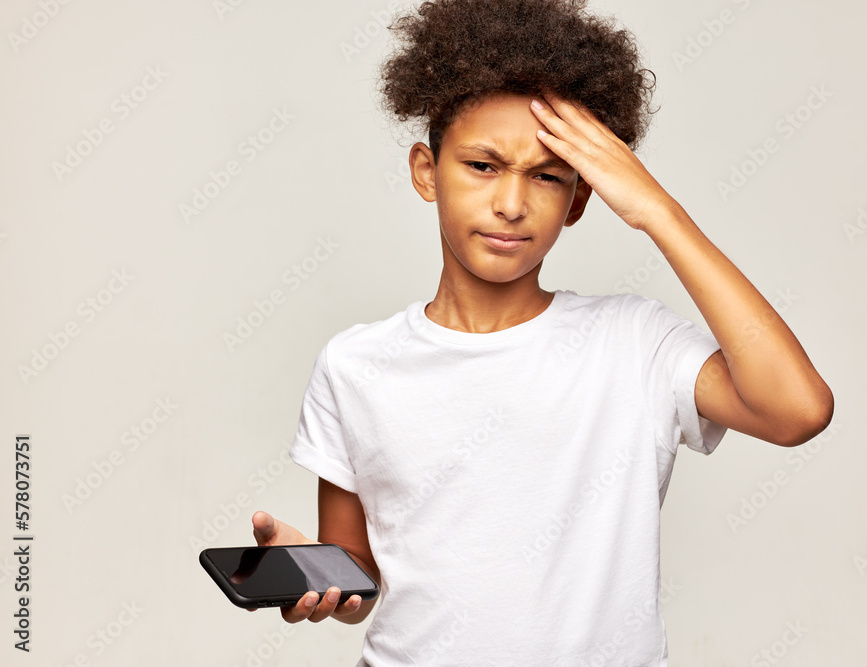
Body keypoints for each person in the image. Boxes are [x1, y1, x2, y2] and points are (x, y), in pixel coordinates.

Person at [249, 0, 834, 664]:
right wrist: (315, 577)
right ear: (426, 171)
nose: (511, 204)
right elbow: (360, 574)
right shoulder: (356, 364)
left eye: (547, 176)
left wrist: (657, 211)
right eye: (483, 165)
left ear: (579, 199)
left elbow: (798, 409)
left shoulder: (633, 343)